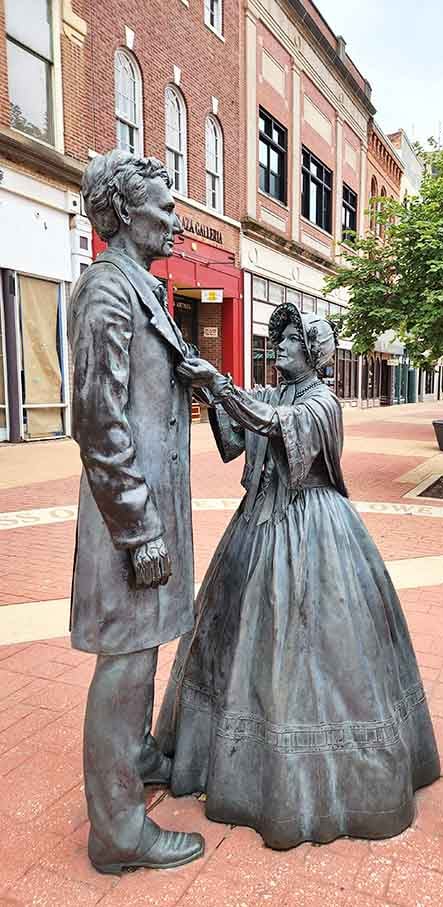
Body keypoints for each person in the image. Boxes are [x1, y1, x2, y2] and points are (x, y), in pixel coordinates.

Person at [155, 302, 440, 850]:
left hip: (311, 525)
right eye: (277, 340)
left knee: (314, 641)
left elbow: (271, 426)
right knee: (241, 634)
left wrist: (217, 382)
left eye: (289, 342)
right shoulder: (273, 393)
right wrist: (209, 386)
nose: (278, 348)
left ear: (312, 352)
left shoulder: (322, 403)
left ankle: (318, 778)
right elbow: (240, 432)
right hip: (257, 526)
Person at [69, 150, 206, 874]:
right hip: (129, 521)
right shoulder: (105, 293)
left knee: (145, 646)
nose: (174, 217)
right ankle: (118, 831)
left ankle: (138, 755)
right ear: (124, 214)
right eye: (162, 205)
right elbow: (97, 420)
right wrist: (139, 526)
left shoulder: (147, 291)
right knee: (123, 663)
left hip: (154, 508)